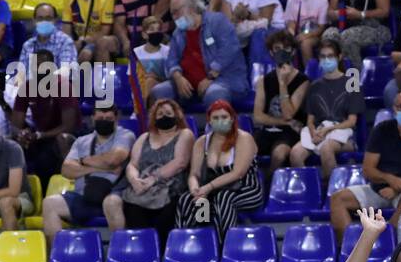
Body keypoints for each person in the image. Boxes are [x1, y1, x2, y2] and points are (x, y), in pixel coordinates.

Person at [330, 86, 401, 239]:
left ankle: (387, 239)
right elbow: (368, 169)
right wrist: (390, 180)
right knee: (337, 199)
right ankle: (350, 250)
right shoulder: (381, 130)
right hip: (378, 189)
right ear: (394, 109)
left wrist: (398, 188)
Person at [40, 105, 135, 243]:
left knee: (111, 202)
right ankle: (58, 254)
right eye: (100, 117)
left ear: (116, 118)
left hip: (113, 193)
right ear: (92, 118)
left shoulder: (125, 135)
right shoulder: (81, 141)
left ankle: (120, 253)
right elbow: (66, 170)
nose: (104, 120)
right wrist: (101, 169)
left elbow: (113, 159)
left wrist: (84, 161)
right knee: (49, 203)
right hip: (84, 196)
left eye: (108, 118)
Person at [174, 100, 262, 244]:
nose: (220, 121)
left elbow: (237, 173)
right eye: (215, 118)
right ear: (209, 120)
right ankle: (192, 244)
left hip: (244, 188)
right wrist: (196, 190)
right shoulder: (202, 142)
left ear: (232, 118)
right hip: (211, 191)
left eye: (224, 117)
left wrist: (208, 188)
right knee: (186, 200)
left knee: (224, 198)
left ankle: (227, 248)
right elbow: (194, 174)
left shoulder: (244, 138)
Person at [107, 97, 193, 242]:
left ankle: (163, 255)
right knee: (132, 206)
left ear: (176, 115)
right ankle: (141, 254)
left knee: (166, 214)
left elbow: (180, 162)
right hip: (142, 187)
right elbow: (133, 165)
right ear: (154, 117)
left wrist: (153, 179)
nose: (164, 116)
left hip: (171, 188)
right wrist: (135, 180)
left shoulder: (184, 134)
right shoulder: (144, 137)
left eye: (168, 113)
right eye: (160, 114)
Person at [151, 0, 249, 110]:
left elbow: (229, 49)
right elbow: (171, 59)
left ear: (192, 8)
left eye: (177, 11)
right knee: (160, 91)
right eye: (172, 14)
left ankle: (216, 127)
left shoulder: (217, 21)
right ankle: (173, 127)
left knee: (214, 94)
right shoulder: (178, 32)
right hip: (189, 85)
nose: (174, 17)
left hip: (222, 80)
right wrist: (178, 77)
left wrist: (210, 77)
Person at [288, 37, 362, 178]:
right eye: (323, 56)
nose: (326, 60)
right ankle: (309, 191)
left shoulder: (351, 84)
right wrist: (313, 132)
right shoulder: (315, 85)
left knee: (326, 148)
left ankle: (330, 191)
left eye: (330, 56)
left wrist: (329, 130)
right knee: (295, 153)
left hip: (343, 132)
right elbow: (310, 119)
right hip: (319, 130)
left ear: (339, 57)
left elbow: (352, 121)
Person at [7, 49, 80, 190]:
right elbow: (16, 124)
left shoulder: (63, 86)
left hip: (64, 136)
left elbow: (69, 126)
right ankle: (19, 191)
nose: (40, 69)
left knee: (58, 144)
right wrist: (22, 135)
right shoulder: (27, 87)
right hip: (40, 136)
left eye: (43, 65)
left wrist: (40, 135)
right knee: (11, 144)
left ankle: (64, 188)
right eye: (36, 66)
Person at [252, 31, 309, 167]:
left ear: (293, 52)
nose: (281, 52)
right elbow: (258, 117)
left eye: (286, 48)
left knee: (279, 154)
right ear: (271, 52)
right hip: (267, 131)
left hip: (290, 133)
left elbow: (288, 113)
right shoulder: (263, 81)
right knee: (246, 149)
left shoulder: (303, 81)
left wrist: (282, 83)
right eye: (277, 49)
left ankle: (272, 184)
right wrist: (285, 122)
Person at [62, 0, 117, 64]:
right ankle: (68, 78)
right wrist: (71, 46)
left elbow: (105, 31)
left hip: (102, 39)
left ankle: (103, 79)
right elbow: (66, 30)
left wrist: (85, 43)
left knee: (89, 52)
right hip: (80, 40)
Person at [281, 0, 328, 64]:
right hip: (298, 33)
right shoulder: (291, 0)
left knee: (305, 43)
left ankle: (310, 74)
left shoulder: (322, 0)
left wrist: (306, 35)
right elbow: (290, 22)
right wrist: (292, 33)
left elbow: (321, 27)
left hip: (316, 35)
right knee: (282, 41)